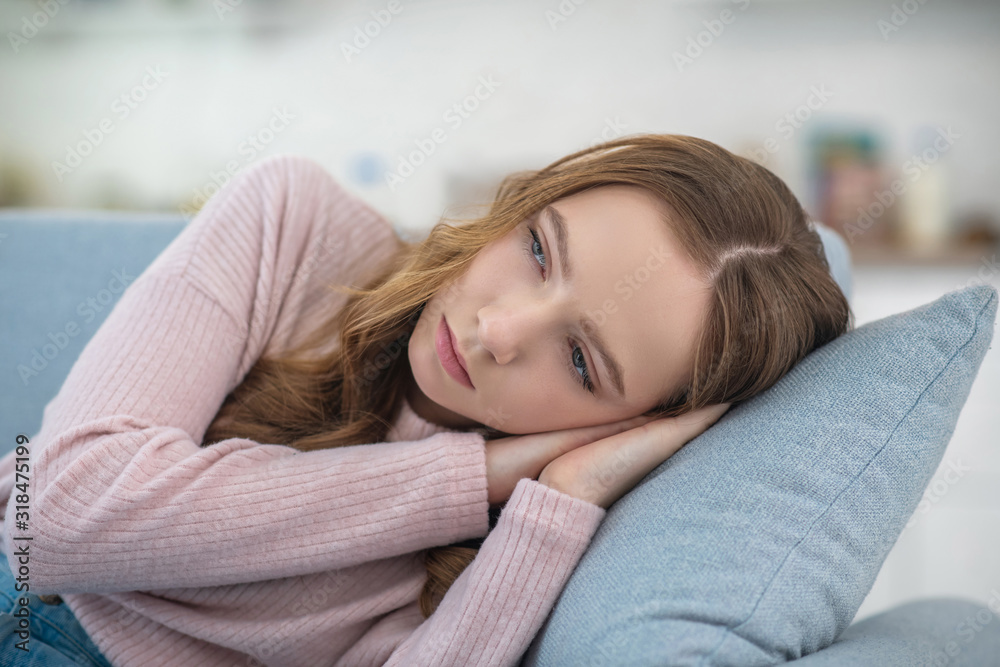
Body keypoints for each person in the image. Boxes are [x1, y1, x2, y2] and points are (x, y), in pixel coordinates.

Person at [0, 134, 850, 666]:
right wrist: (470, 473)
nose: (499, 330)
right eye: (538, 250)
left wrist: (558, 495)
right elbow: (48, 515)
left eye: (581, 361)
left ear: (638, 424)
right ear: (523, 202)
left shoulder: (529, 541)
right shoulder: (292, 222)